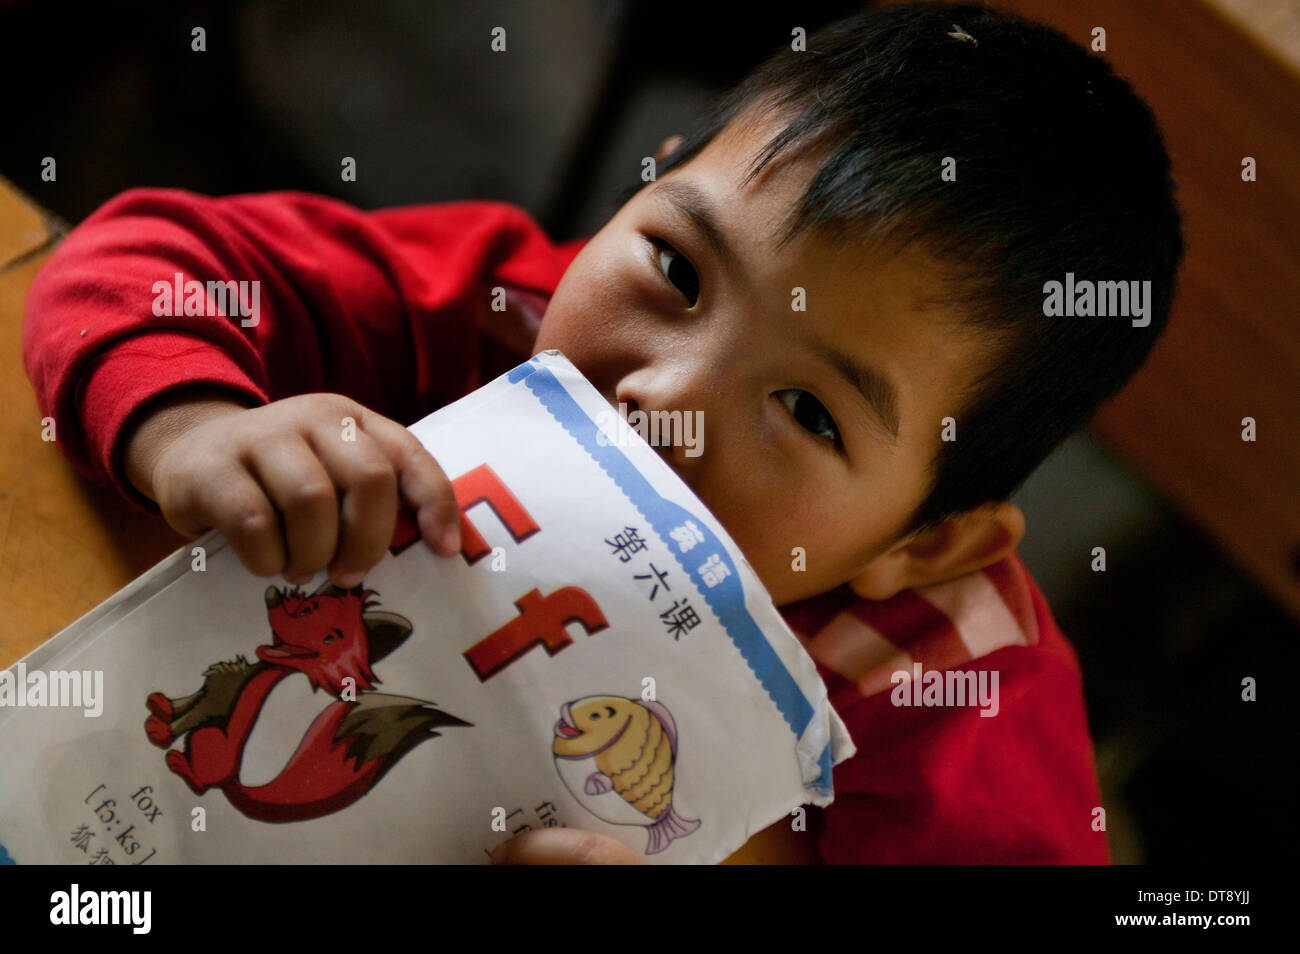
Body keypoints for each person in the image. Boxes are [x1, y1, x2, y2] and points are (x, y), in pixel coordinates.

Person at [22, 3, 1182, 863]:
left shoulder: (943, 665)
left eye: (811, 412)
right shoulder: (501, 312)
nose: (659, 394)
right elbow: (139, 266)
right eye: (676, 266)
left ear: (925, 543)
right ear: (643, 187)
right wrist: (190, 427)